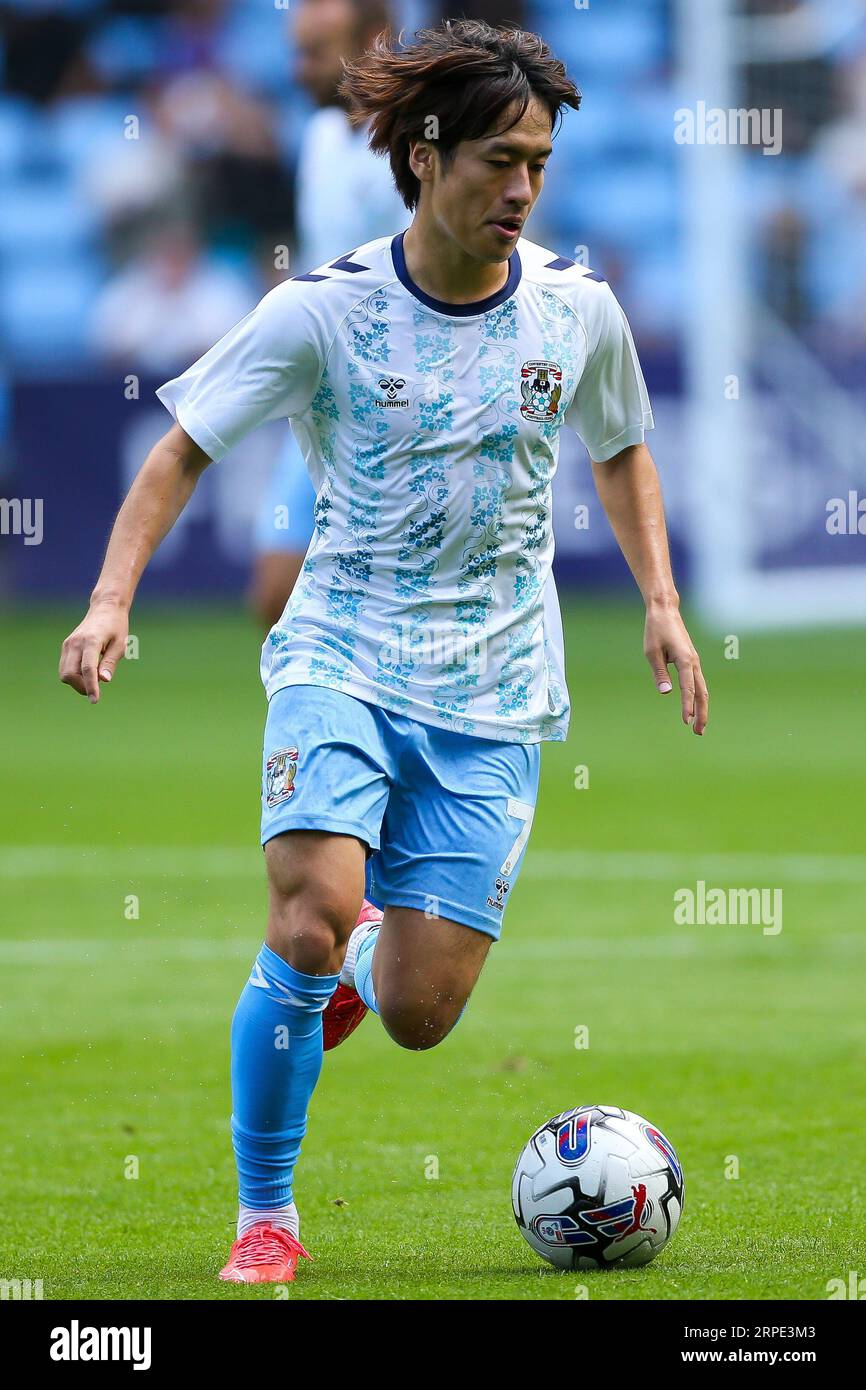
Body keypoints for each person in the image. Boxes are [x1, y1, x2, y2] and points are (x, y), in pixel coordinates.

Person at [59, 20, 709, 1286]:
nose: (520, 187)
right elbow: (180, 445)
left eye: (537, 162)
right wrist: (108, 598)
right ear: (423, 157)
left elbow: (622, 448)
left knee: (418, 1013)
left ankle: (368, 957)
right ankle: (266, 1212)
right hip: (340, 651)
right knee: (301, 920)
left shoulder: (577, 312)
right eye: (495, 161)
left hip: (495, 683)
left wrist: (663, 600)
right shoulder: (323, 313)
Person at [250, 0, 406, 629]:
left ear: (374, 40)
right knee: (274, 593)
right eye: (296, 49)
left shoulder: (417, 141)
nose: (298, 68)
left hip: (399, 394)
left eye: (315, 50)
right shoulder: (317, 136)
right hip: (325, 387)